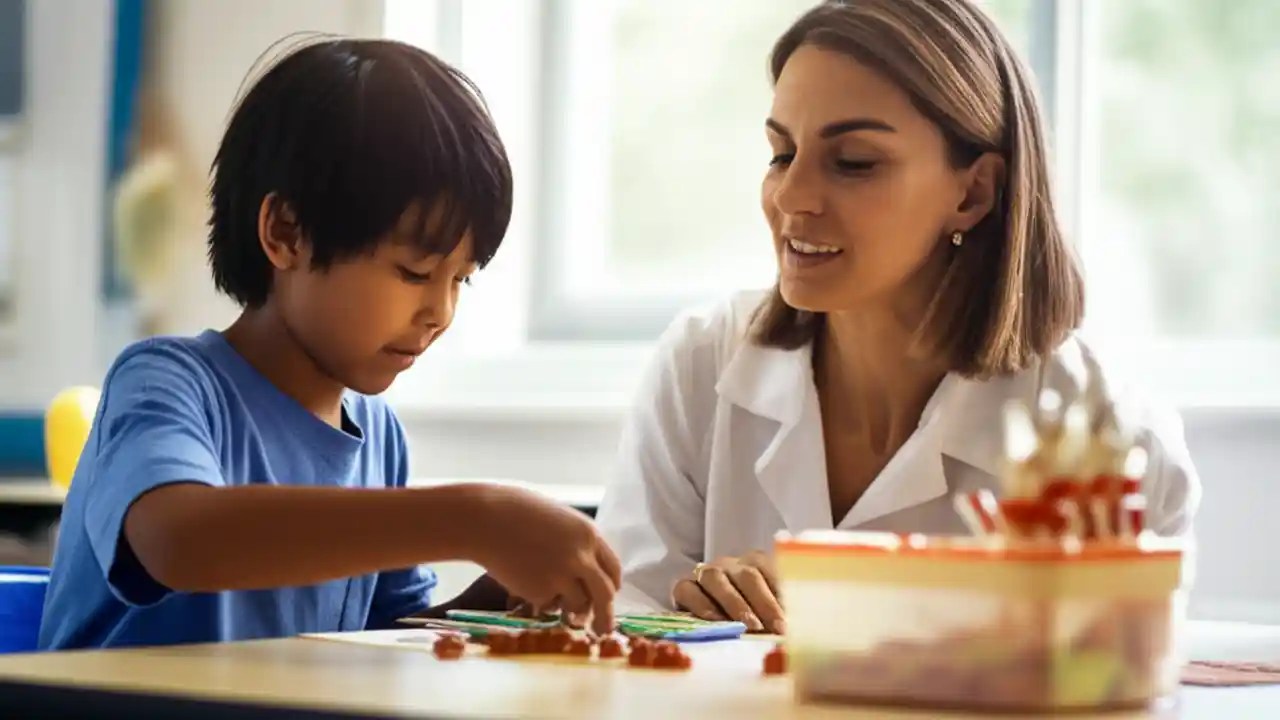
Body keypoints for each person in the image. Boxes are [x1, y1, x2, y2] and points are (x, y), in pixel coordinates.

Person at [595, 0, 1201, 634]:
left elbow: (1114, 681)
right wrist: (694, 609)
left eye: (854, 162)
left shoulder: (1111, 442)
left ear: (973, 193)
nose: (791, 197)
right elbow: (616, 630)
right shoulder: (701, 363)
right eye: (781, 154)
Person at [39, 37, 618, 650]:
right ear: (286, 233)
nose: (440, 312)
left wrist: (483, 608)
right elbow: (178, 542)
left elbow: (371, 641)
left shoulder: (378, 435)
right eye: (414, 273)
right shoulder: (167, 381)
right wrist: (474, 518)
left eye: (461, 280)